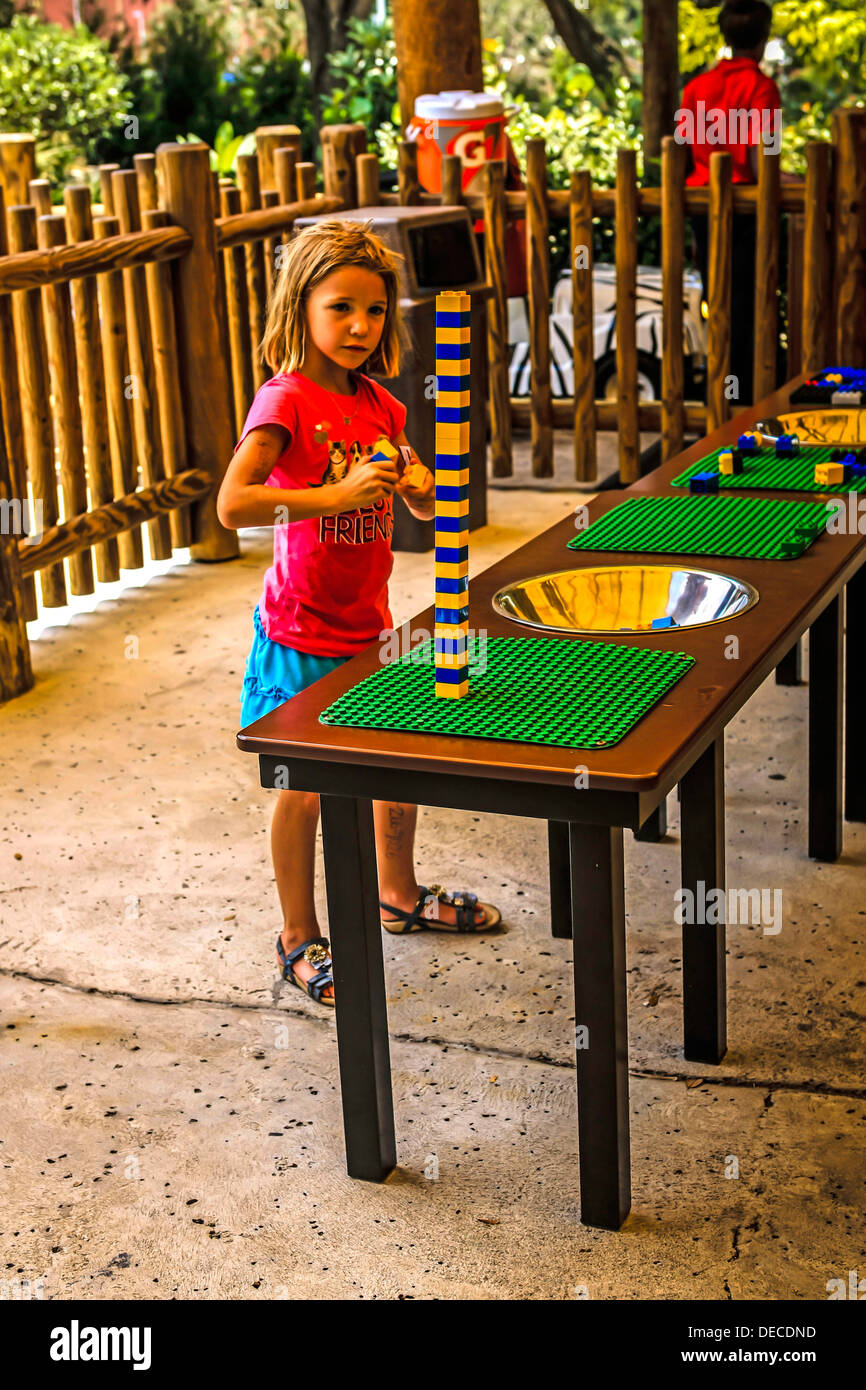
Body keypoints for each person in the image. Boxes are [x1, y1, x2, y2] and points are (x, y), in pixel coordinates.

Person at [217, 220, 501, 1007]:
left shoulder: (379, 401)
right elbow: (234, 504)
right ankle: (298, 934)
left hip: (366, 627)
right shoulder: (285, 399)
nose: (359, 327)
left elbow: (414, 483)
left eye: (374, 312)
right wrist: (333, 496)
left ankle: (397, 896)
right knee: (302, 791)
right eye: (340, 307)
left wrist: (413, 483)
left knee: (392, 768)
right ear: (300, 305)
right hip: (299, 632)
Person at [679, 0, 784, 403]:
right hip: (746, 212)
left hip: (704, 209)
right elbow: (765, 160)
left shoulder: (695, 89)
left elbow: (683, 153)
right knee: (749, 306)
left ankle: (720, 395)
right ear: (763, 37)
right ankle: (744, 399)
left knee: (716, 299)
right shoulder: (762, 89)